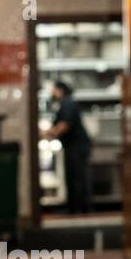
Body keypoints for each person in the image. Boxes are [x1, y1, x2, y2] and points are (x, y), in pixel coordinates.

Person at [43, 80, 93, 214]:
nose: (51, 92)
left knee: (77, 178)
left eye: (52, 89)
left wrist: (48, 134)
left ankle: (81, 210)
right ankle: (77, 208)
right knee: (74, 178)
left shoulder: (67, 103)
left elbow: (64, 125)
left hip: (77, 147)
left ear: (59, 90)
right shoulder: (65, 103)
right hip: (74, 146)